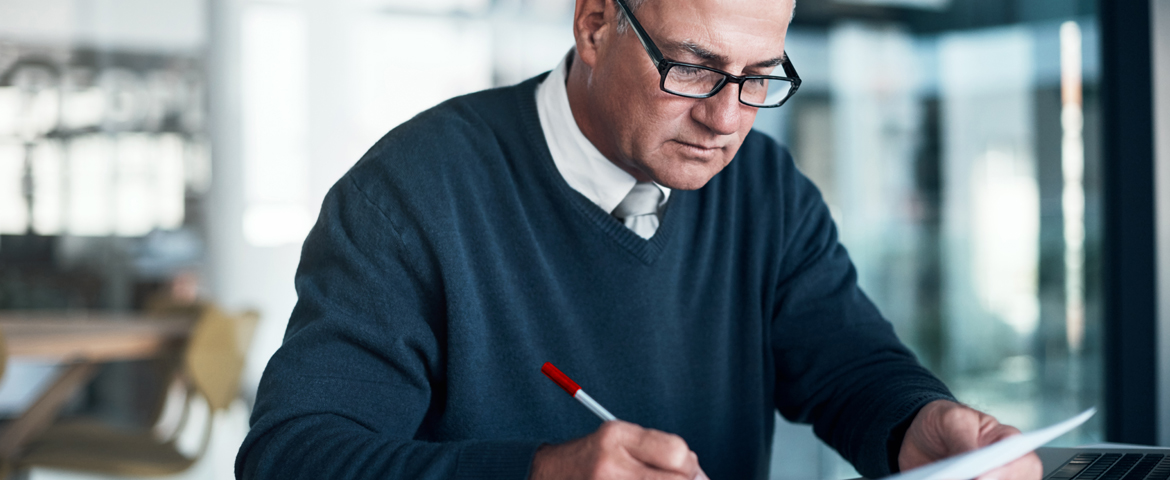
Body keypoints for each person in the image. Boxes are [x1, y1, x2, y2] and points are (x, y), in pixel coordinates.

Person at [236, 0, 1044, 478]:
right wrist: (540, 473)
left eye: (760, 76)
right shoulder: (414, 193)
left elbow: (849, 367)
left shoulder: (763, 189)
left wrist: (919, 426)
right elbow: (293, 454)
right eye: (693, 68)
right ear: (594, 24)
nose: (728, 119)